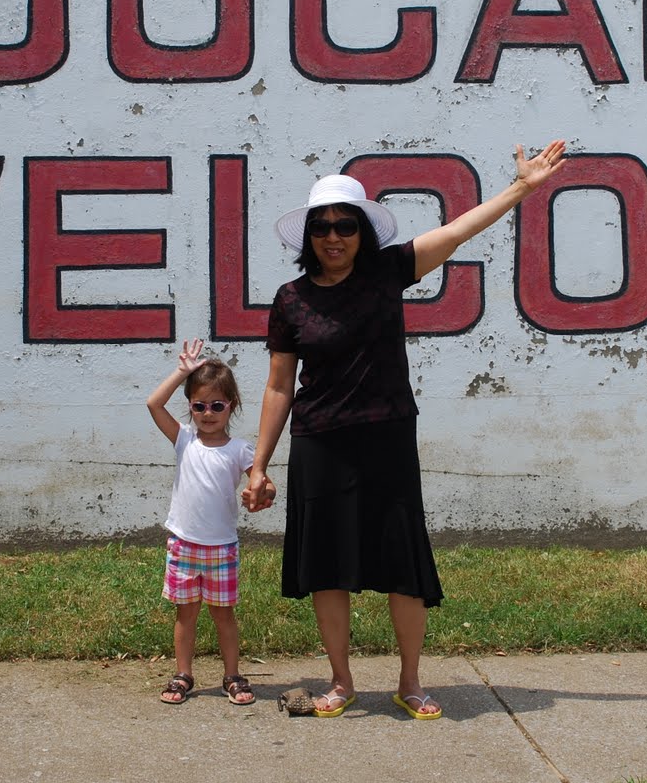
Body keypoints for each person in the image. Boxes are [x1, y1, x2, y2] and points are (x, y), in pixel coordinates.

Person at [242, 141, 568, 721]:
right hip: (320, 441)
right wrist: (260, 464)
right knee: (327, 566)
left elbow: (460, 230)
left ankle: (410, 681)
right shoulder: (290, 300)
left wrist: (521, 188)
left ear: (363, 231)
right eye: (322, 228)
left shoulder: (390, 271)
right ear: (308, 236)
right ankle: (341, 683)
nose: (334, 237)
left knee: (403, 562)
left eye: (345, 225)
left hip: (388, 437)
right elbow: (277, 386)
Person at [146, 338, 258, 706]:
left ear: (232, 406)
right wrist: (182, 372)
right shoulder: (184, 439)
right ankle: (184, 674)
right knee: (186, 615)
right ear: (190, 408)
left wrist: (264, 493)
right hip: (184, 544)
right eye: (199, 406)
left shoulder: (240, 449)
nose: (208, 413)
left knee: (223, 616)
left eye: (217, 405)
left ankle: (232, 675)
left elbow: (262, 481)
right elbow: (153, 403)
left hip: (221, 547)